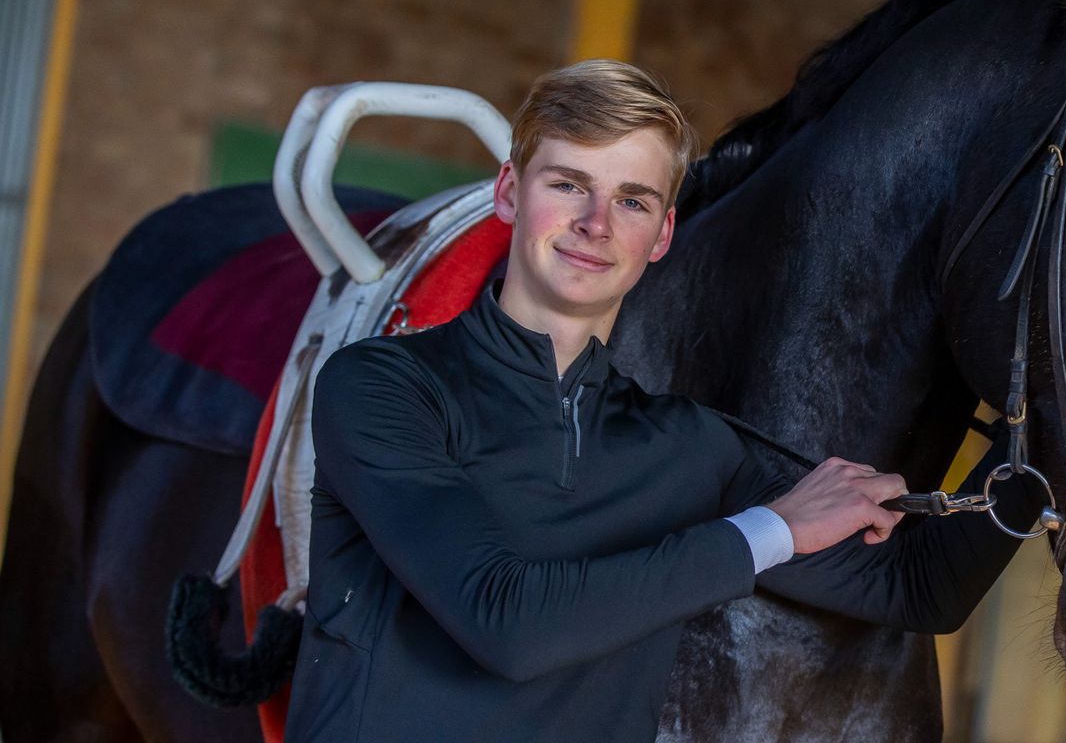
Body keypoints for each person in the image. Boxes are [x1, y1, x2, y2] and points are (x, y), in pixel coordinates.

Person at [286, 60, 1027, 742]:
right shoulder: (383, 385)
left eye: (631, 200)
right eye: (569, 183)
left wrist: (1044, 427)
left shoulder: (687, 448)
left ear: (662, 232)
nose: (596, 224)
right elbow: (506, 623)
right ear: (510, 193)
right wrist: (772, 530)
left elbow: (920, 588)